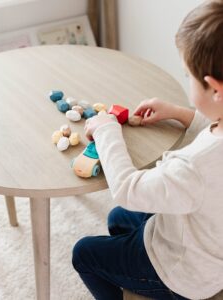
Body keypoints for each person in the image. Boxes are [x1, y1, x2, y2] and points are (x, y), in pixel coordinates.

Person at [72, 1, 223, 299]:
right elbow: (213, 130)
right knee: (118, 218)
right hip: (208, 240)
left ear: (214, 88)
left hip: (185, 273)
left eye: (187, 76)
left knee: (84, 253)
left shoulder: (194, 167)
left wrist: (106, 131)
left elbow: (128, 188)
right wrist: (180, 113)